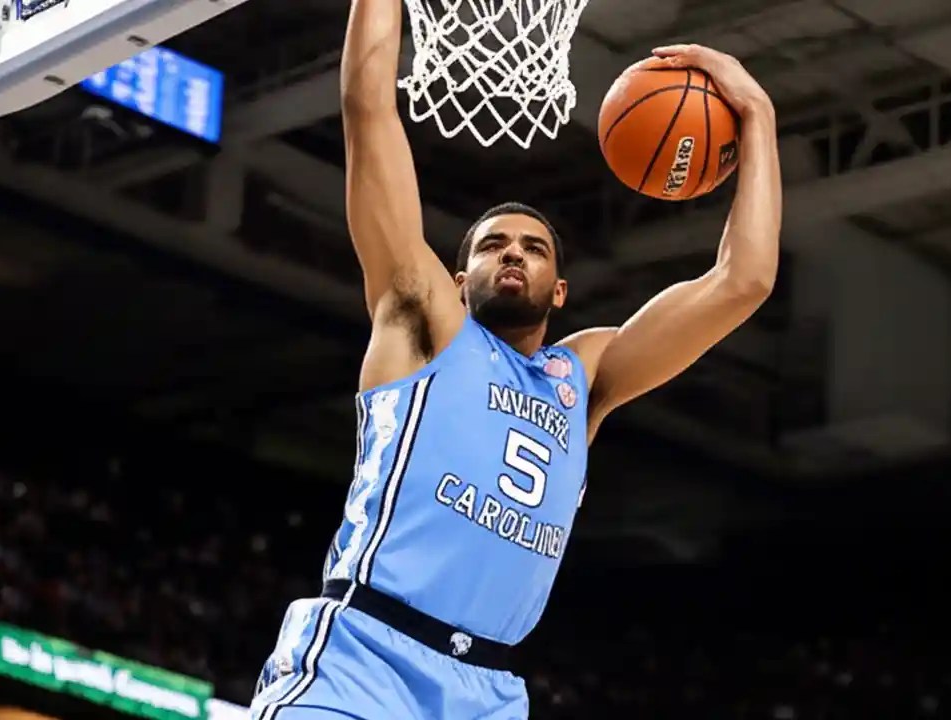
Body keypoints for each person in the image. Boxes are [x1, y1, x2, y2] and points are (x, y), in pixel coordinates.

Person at [250, 0, 781, 717]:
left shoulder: (583, 378)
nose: (513, 253)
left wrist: (756, 112)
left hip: (488, 693)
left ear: (559, 290)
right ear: (458, 276)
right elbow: (367, 111)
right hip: (364, 657)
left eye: (534, 249)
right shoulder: (422, 322)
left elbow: (742, 282)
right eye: (493, 244)